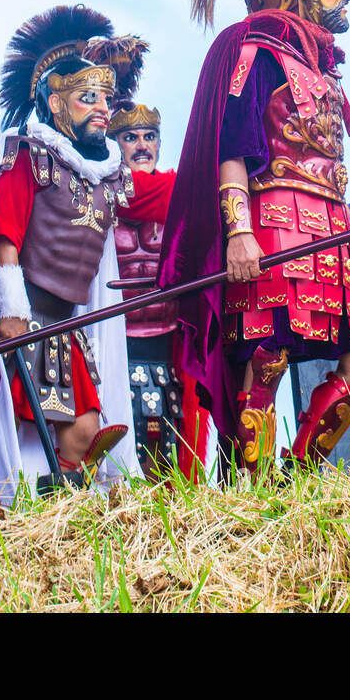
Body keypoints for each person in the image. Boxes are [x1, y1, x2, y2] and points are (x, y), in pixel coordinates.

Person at [157, 0, 350, 476]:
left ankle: (298, 468)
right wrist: (238, 232)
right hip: (270, 227)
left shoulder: (323, 68)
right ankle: (251, 492)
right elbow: (229, 150)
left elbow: (328, 173)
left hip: (328, 234)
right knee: (264, 362)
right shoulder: (253, 50)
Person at [0, 6, 143, 497]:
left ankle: (61, 511)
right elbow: (3, 229)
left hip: (69, 329)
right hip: (25, 321)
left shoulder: (106, 177)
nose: (102, 108)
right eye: (87, 98)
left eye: (105, 98)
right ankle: (30, 513)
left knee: (86, 433)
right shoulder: (27, 154)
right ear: (55, 103)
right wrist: (9, 312)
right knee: (38, 438)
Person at [108, 102, 208, 478]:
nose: (141, 145)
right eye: (130, 137)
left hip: (169, 343)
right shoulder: (98, 194)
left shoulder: (183, 196)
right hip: (116, 343)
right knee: (118, 457)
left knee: (173, 454)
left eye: (149, 136)